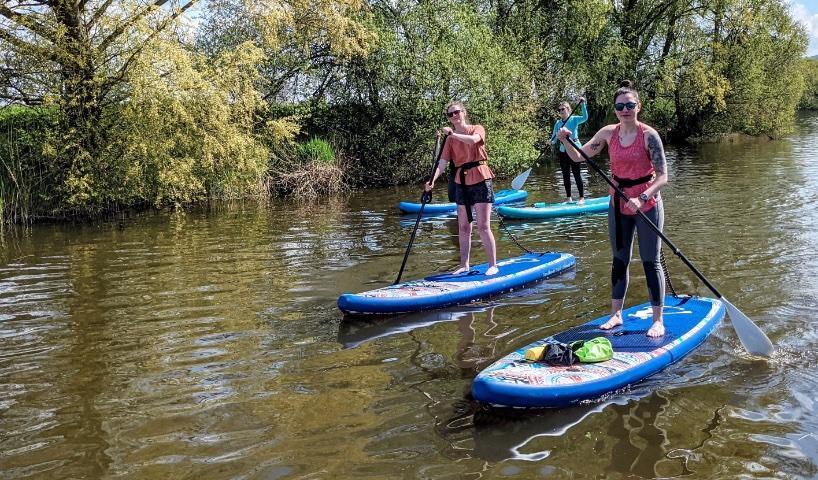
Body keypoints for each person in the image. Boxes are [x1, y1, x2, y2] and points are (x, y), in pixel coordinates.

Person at [557, 80, 669, 337]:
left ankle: (658, 320)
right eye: (620, 106)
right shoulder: (608, 133)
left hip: (647, 203)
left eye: (629, 105)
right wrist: (567, 140)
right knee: (620, 260)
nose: (625, 110)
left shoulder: (649, 135)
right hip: (618, 203)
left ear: (638, 106)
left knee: (650, 261)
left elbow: (663, 176)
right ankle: (616, 314)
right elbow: (578, 157)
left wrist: (642, 197)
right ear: (615, 109)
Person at [425, 101, 499, 276]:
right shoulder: (449, 139)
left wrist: (453, 134)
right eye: (450, 114)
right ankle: (464, 265)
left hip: (480, 176)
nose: (454, 116)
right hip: (461, 181)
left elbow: (473, 141)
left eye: (456, 112)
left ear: (463, 113)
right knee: (463, 226)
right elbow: (442, 163)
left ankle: (493, 265)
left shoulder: (476, 128)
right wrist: (432, 180)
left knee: (483, 225)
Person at [550, 97, 588, 204]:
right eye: (559, 110)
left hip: (574, 149)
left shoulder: (574, 119)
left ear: (568, 109)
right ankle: (569, 198)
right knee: (565, 175)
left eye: (563, 109)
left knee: (576, 174)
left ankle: (581, 198)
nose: (561, 111)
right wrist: (551, 141)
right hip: (563, 151)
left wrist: (582, 104)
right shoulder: (558, 123)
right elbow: (554, 137)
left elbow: (585, 117)